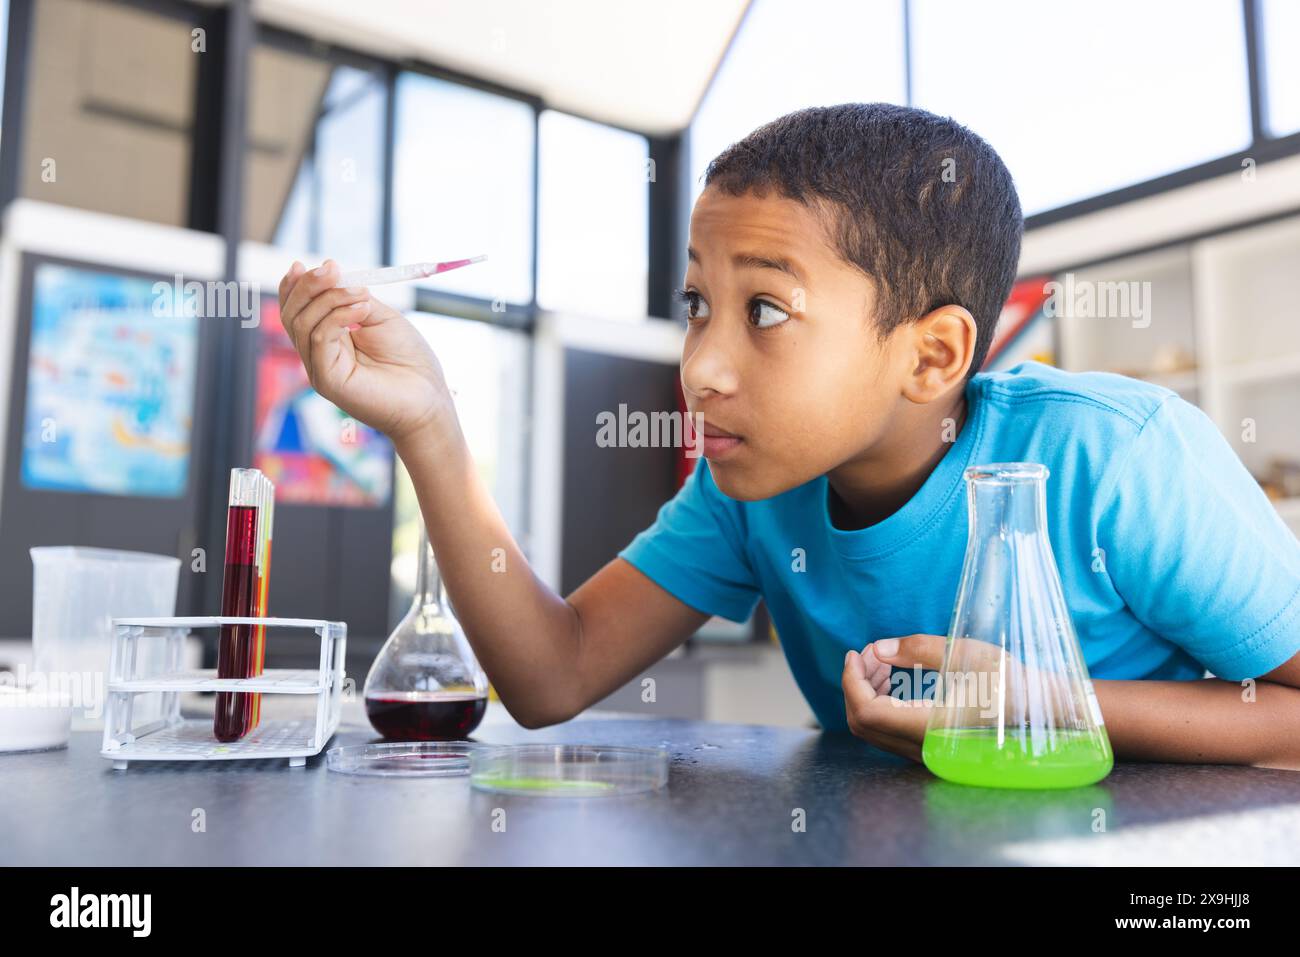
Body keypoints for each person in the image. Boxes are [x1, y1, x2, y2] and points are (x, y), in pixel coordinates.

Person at [278, 103, 1300, 768]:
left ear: (932, 356)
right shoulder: (746, 492)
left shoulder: (1118, 457)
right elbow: (551, 676)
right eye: (694, 306)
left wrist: (1039, 704)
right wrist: (431, 428)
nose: (702, 366)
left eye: (764, 311)